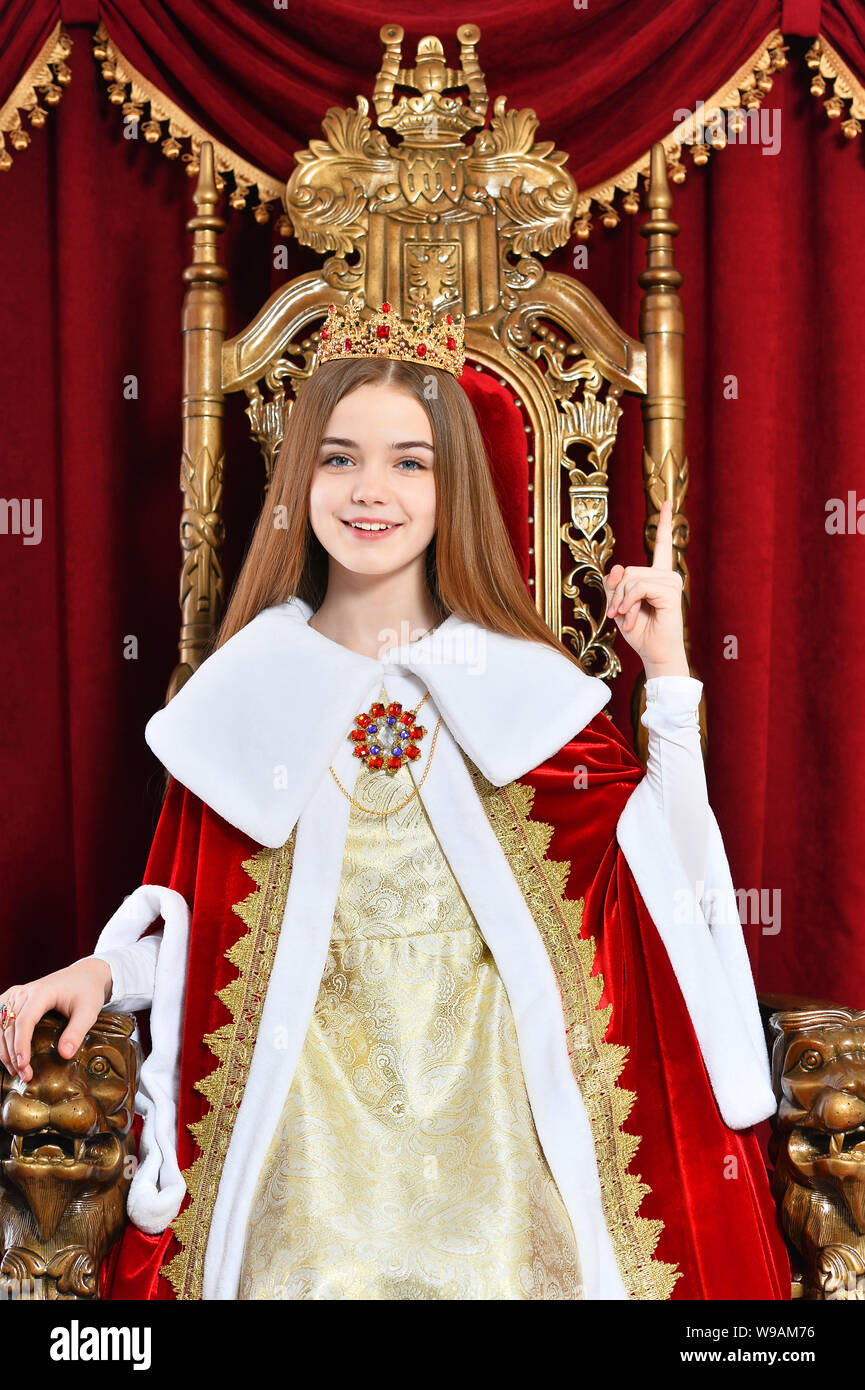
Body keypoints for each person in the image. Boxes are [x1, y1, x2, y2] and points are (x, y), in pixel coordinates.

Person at [0, 299, 790, 1300]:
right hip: (309, 1136)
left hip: (502, 1137)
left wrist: (668, 678)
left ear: (449, 485)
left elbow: (669, 905)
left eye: (409, 461)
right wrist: (105, 969)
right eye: (339, 458)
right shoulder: (247, 691)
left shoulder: (521, 690)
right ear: (301, 481)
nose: (370, 489)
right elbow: (201, 920)